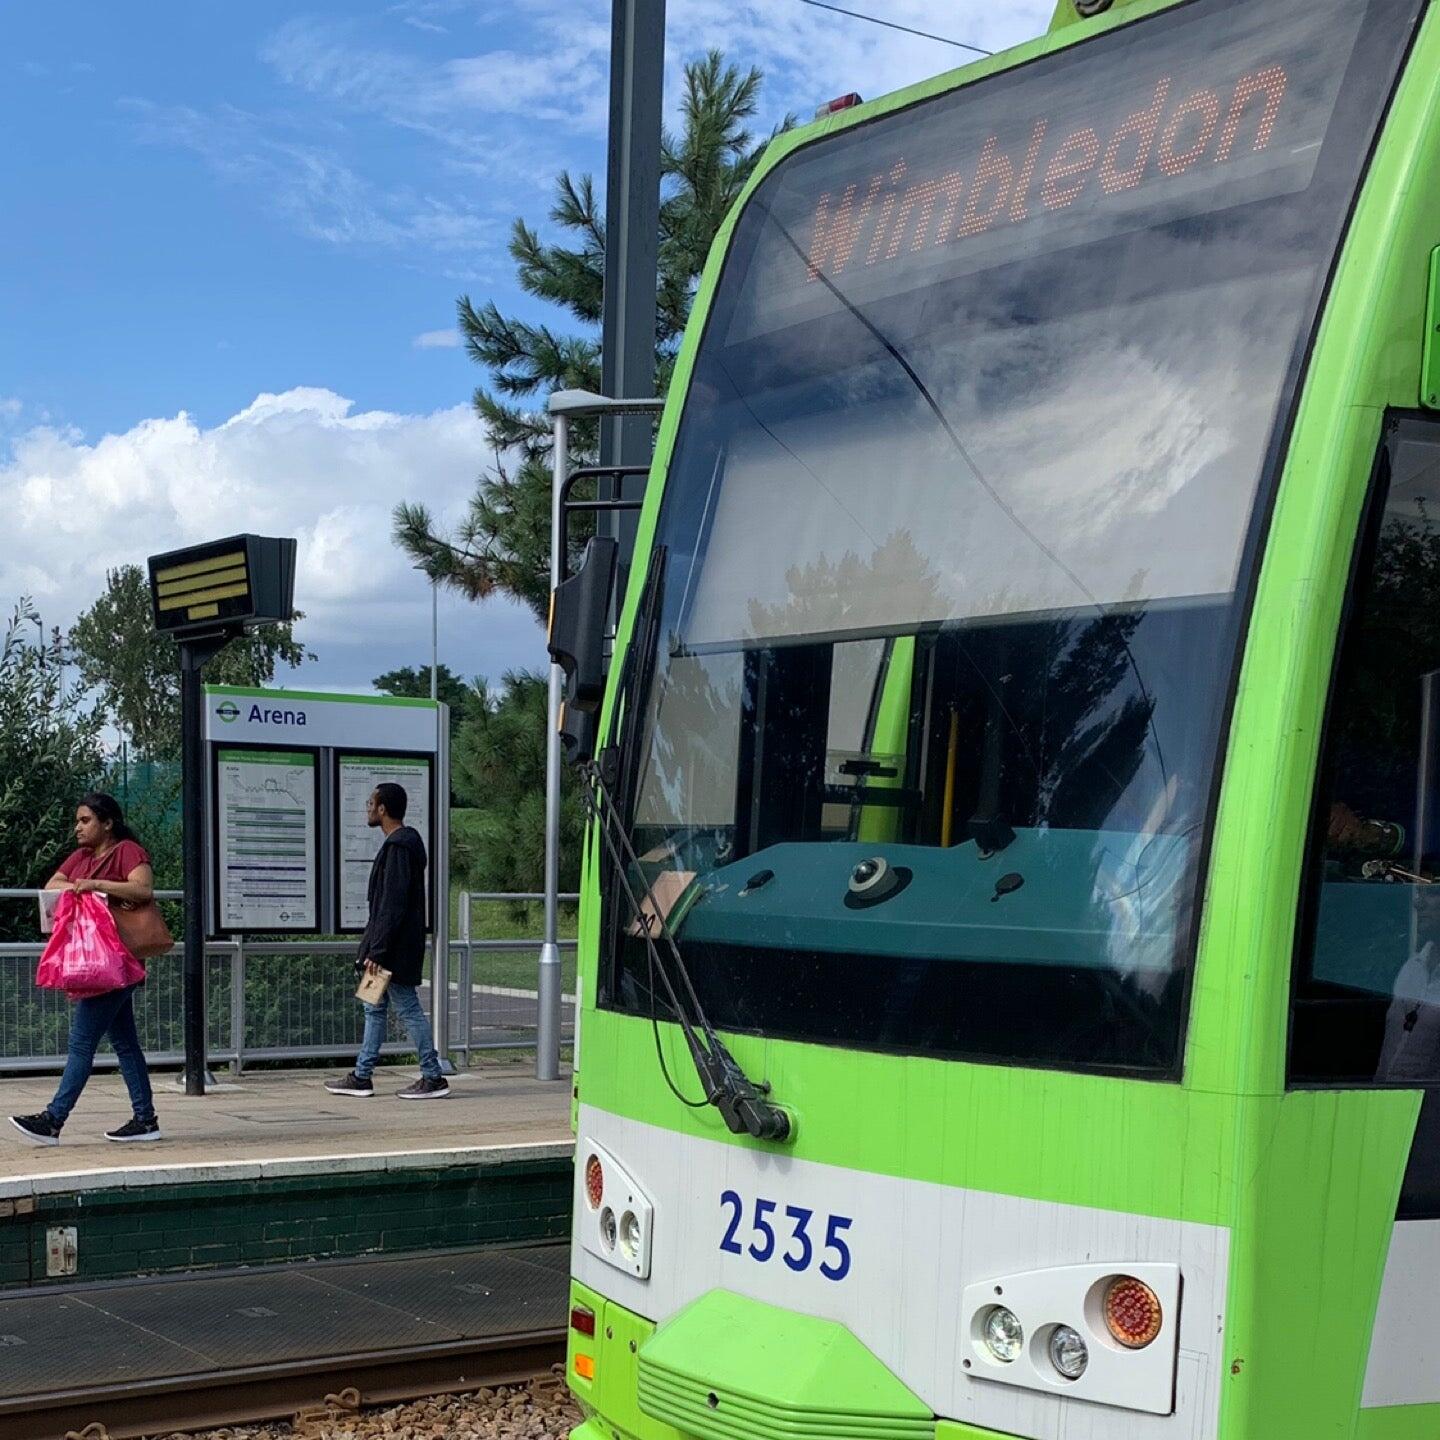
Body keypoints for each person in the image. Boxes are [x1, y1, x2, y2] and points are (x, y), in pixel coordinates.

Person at [10, 793, 162, 1146]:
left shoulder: (127, 851)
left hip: (117, 961)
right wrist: (83, 886)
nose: (78, 828)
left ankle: (53, 1120)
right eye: (77, 821)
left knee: (81, 1043)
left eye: (85, 820)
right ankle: (146, 1120)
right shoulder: (81, 857)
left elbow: (143, 888)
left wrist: (97, 885)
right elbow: (53, 886)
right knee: (125, 1043)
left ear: (107, 823)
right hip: (96, 961)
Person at [325, 783, 449, 1099]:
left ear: (382, 809)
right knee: (372, 1007)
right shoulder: (400, 846)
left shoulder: (399, 848)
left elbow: (391, 905)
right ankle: (362, 1076)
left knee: (407, 1007)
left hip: (390, 953)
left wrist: (377, 951)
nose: (367, 807)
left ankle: (432, 1076)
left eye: (371, 802)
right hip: (382, 950)